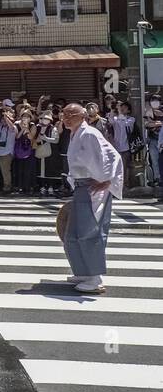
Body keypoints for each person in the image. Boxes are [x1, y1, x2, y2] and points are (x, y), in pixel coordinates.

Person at [60, 104, 124, 294]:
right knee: (72, 233)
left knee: (89, 231)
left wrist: (107, 180)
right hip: (82, 186)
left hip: (93, 186)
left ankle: (95, 277)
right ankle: (83, 271)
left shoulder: (89, 134)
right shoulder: (76, 133)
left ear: (82, 116)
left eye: (71, 114)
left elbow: (111, 156)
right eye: (64, 114)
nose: (66, 117)